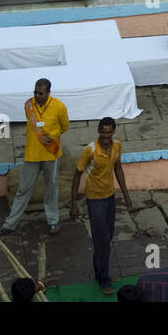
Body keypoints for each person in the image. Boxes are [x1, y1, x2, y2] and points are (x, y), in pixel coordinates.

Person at [69, 117, 134, 295]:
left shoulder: (117, 146)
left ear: (113, 132)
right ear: (98, 131)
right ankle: (104, 279)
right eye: (103, 132)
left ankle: (99, 272)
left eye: (109, 132)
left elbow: (118, 169)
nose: (106, 136)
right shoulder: (89, 150)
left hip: (110, 197)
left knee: (106, 237)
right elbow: (77, 175)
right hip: (94, 200)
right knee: (103, 240)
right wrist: (73, 203)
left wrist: (127, 196)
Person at [0, 79, 69, 238]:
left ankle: (53, 221)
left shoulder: (59, 106)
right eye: (35, 92)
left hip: (51, 154)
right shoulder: (28, 106)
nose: (37, 95)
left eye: (40, 93)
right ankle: (10, 225)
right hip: (32, 155)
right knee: (23, 189)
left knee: (52, 189)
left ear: (48, 92)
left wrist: (53, 137)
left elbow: (65, 126)